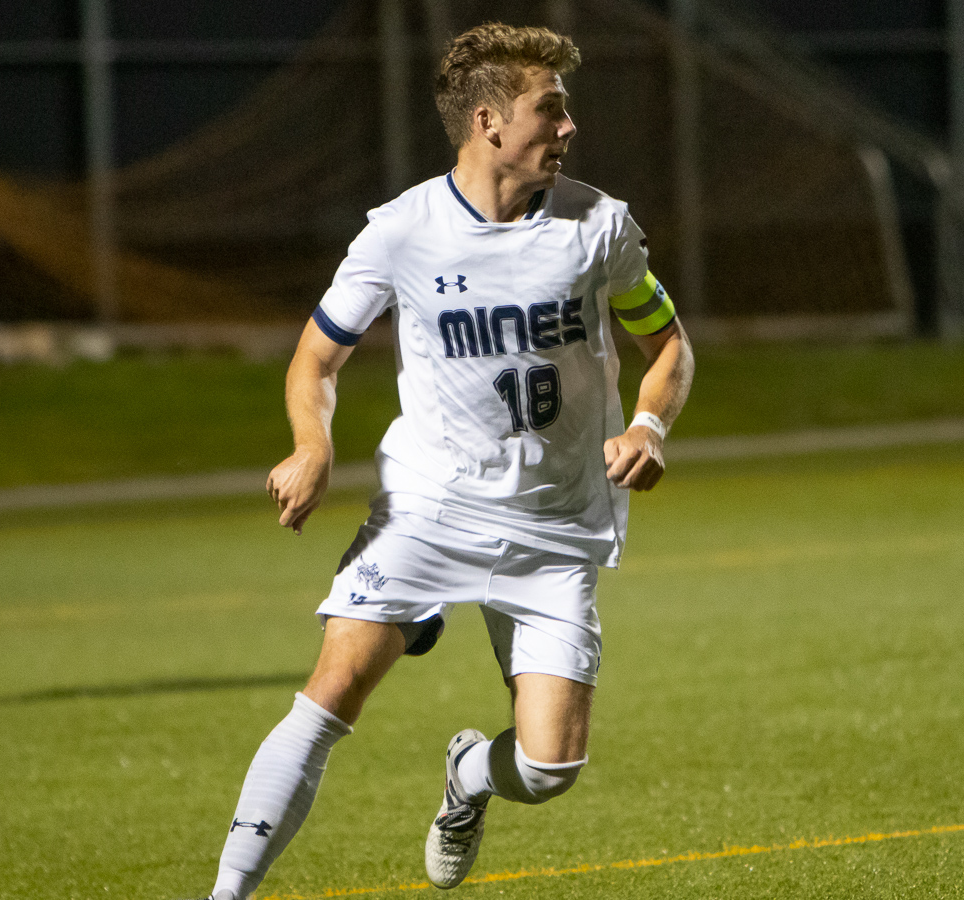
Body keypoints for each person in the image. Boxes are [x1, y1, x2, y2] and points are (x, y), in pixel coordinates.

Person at [199, 23, 693, 899]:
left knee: (550, 768)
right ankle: (227, 893)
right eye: (552, 109)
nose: (569, 127)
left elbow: (670, 349)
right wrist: (312, 447)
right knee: (333, 687)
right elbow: (315, 359)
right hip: (429, 503)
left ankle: (468, 776)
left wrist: (649, 426)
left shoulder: (600, 226)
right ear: (487, 122)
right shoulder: (401, 232)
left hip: (554, 521)